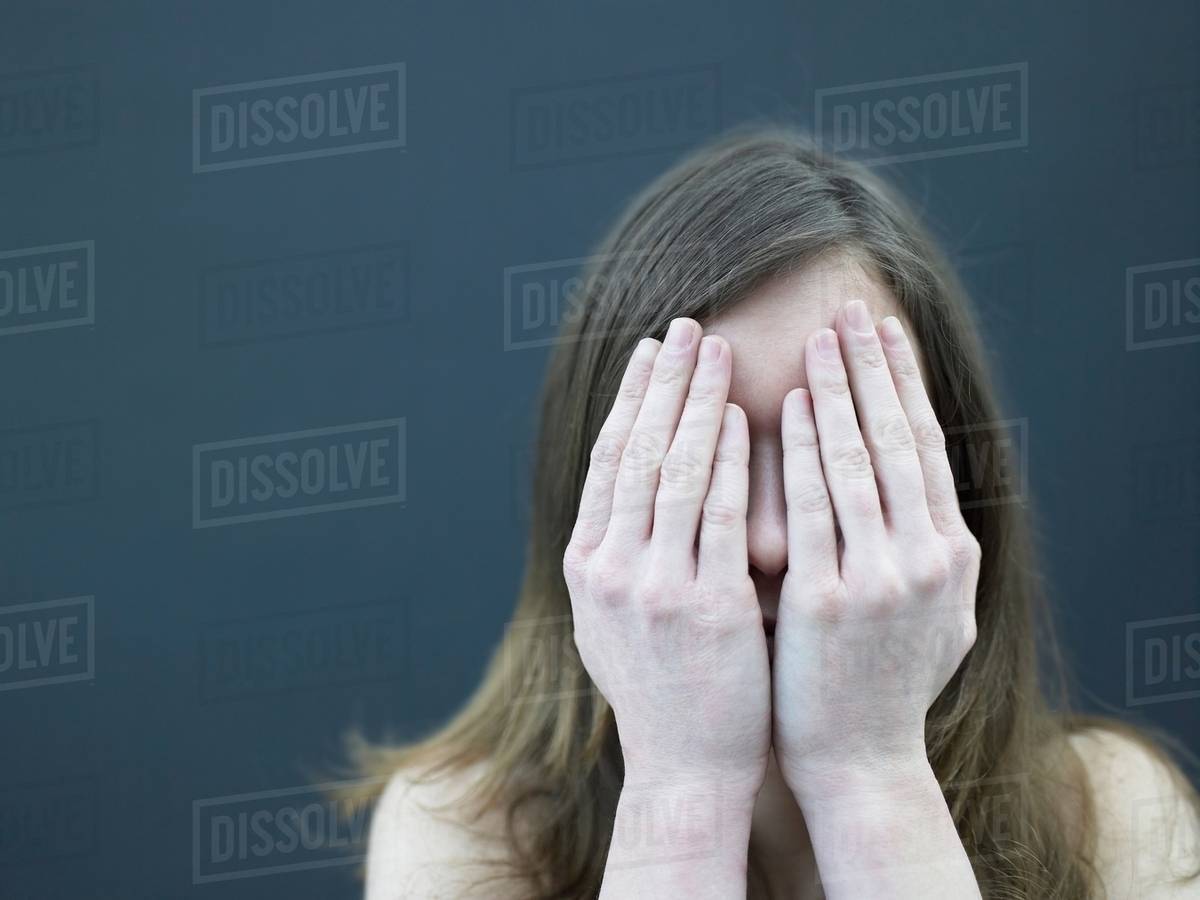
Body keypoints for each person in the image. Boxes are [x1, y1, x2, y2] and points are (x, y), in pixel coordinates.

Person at [348, 129, 1200, 898]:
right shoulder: (462, 835)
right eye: (699, 463)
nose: (765, 540)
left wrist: (869, 773)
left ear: (954, 495)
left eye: (837, 455)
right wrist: (682, 789)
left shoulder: (1110, 815)